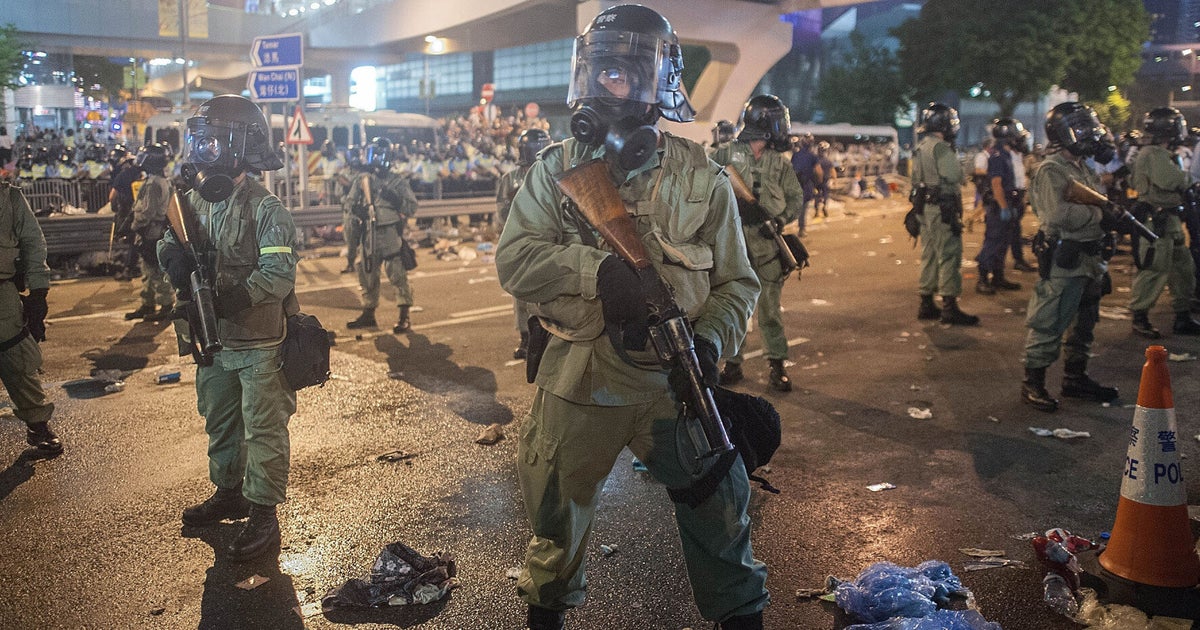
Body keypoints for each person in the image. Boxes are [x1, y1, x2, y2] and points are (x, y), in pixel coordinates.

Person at [495, 5, 767, 630]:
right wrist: (597, 274)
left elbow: (737, 283)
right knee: (555, 521)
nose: (605, 85)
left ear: (656, 84)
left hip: (675, 382)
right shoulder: (556, 170)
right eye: (598, 70)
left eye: (621, 74)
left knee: (721, 507)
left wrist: (709, 344)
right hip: (581, 377)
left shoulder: (703, 177)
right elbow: (516, 261)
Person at [158, 94, 299, 560]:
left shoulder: (267, 208)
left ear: (240, 145)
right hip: (213, 342)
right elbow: (167, 243)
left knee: (262, 431)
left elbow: (278, 275)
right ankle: (229, 492)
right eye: (200, 141)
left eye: (213, 142)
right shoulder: (192, 201)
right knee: (219, 422)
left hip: (259, 342)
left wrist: (234, 298)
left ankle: (264, 517)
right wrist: (173, 261)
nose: (204, 151)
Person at [1020, 102, 1120, 412]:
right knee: (1050, 320)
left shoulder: (1081, 167)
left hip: (1089, 259)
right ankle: (1033, 382)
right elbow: (1057, 214)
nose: (1092, 135)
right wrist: (1099, 216)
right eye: (1084, 129)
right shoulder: (1052, 170)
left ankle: (1075, 378)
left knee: (1084, 323)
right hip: (1067, 257)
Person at [712, 94, 805, 392]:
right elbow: (706, 183)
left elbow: (796, 198)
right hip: (734, 243)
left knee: (769, 311)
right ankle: (733, 364)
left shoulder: (779, 163)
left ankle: (777, 365)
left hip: (768, 244)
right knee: (735, 308)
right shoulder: (726, 154)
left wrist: (779, 221)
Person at [0, 181, 61, 455]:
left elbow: (32, 241)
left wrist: (39, 291)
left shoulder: (9, 197)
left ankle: (38, 425)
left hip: (3, 291)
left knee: (18, 357)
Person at [1128, 106, 1200, 339]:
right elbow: (1169, 179)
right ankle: (1140, 316)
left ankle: (1182, 315)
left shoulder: (1160, 153)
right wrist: (1190, 182)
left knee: (1183, 267)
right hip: (1155, 219)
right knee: (1154, 268)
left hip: (1168, 218)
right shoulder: (1152, 154)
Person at [911, 103, 978, 325]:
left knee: (929, 254)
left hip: (925, 208)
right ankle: (949, 306)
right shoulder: (941, 148)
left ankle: (926, 302)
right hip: (942, 207)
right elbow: (954, 175)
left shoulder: (921, 147)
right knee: (949, 254)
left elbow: (915, 181)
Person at [344, 136, 420, 334]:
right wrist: (357, 211)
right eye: (373, 154)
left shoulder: (397, 181)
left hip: (388, 231)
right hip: (368, 232)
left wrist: (394, 199)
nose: (375, 159)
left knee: (397, 274)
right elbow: (349, 203)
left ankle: (404, 316)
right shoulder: (363, 179)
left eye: (379, 154)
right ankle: (368, 313)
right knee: (367, 273)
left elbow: (412, 207)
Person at [496, 128, 550, 360]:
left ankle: (549, 336)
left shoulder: (553, 173)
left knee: (550, 291)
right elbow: (501, 213)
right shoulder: (510, 179)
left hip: (548, 240)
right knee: (521, 293)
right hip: (522, 240)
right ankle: (526, 337)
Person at [974, 118, 1027, 295]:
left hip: (1008, 203)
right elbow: (996, 184)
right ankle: (982, 279)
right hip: (999, 207)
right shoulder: (998, 156)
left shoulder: (1008, 154)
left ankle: (998, 277)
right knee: (993, 242)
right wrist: (1004, 207)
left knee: (1003, 243)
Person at [124, 143, 175, 321]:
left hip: (151, 232)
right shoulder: (159, 180)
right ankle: (148, 304)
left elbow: (147, 211)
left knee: (155, 271)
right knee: (147, 270)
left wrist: (134, 227)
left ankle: (166, 305)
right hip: (152, 231)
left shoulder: (154, 183)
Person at [108, 145, 141, 280]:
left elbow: (112, 196)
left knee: (130, 239)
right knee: (136, 239)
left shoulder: (122, 175)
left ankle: (128, 268)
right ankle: (132, 266)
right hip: (139, 209)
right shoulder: (140, 174)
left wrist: (114, 207)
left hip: (127, 211)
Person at [790, 134, 820, 233]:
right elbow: (818, 171)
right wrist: (818, 184)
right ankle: (802, 227)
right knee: (804, 206)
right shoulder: (813, 156)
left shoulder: (796, 155)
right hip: (806, 183)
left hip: (795, 184)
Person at [967, 138, 994, 233]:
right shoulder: (982, 156)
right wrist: (990, 173)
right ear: (988, 147)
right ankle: (970, 219)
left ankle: (971, 219)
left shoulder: (988, 156)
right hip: (983, 184)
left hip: (987, 183)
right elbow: (978, 170)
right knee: (985, 204)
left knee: (984, 205)